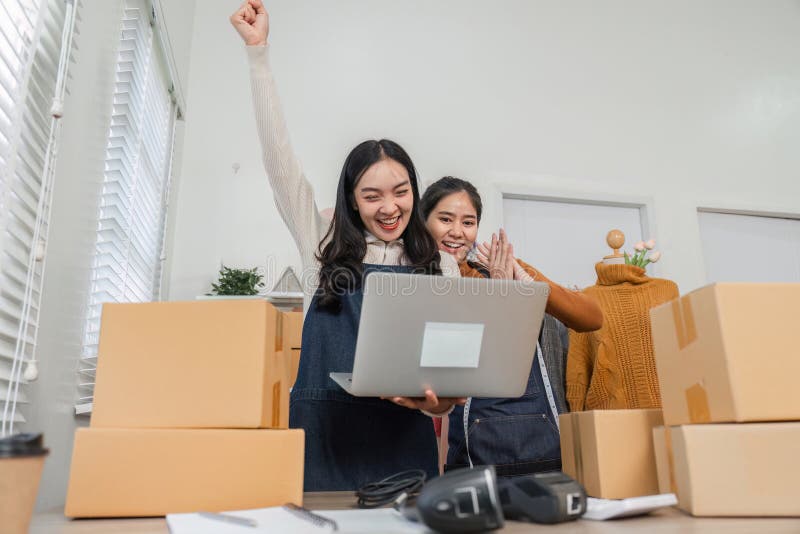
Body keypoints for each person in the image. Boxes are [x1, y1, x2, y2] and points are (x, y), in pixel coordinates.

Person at [230, 0, 463, 491]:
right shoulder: (321, 242)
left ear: (415, 193)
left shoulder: (441, 264)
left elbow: (449, 384)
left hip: (406, 443)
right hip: (324, 435)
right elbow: (279, 162)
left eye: (401, 192)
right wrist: (259, 56)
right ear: (352, 202)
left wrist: (437, 403)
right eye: (371, 195)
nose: (389, 207)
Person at [420, 176, 603, 476]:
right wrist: (501, 296)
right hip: (467, 455)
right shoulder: (416, 281)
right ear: (424, 222)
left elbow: (592, 318)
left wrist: (525, 283)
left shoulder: (501, 268)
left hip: (542, 449)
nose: (457, 232)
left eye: (468, 222)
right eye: (445, 219)